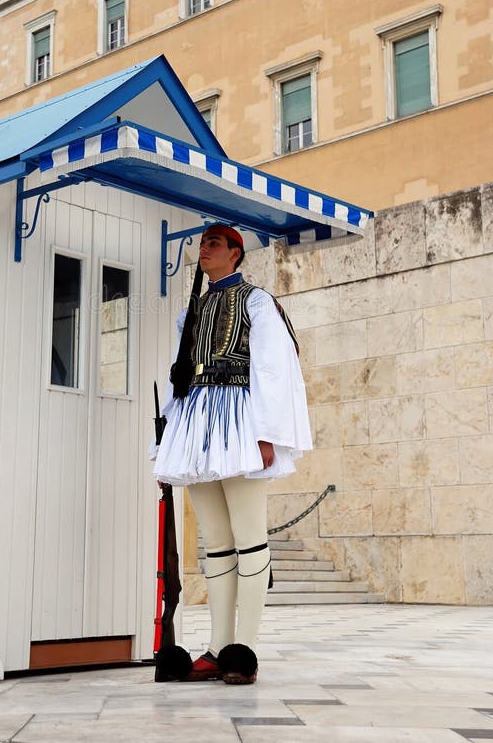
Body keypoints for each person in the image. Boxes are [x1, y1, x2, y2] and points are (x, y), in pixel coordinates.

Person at [152, 224, 312, 684]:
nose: (204, 249)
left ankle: (246, 650)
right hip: (196, 423)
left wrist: (267, 434)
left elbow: (271, 369)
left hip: (239, 421)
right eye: (202, 243)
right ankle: (218, 647)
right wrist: (167, 446)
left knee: (249, 536)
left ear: (235, 254)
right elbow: (179, 379)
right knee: (217, 541)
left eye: (214, 244)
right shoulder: (190, 312)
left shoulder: (256, 302)